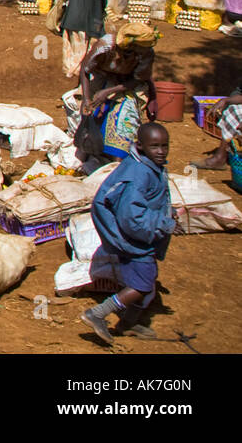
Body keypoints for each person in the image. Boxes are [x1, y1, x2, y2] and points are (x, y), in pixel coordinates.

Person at [81, 122, 175, 344]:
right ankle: (97, 313)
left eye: (165, 146)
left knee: (147, 285)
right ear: (140, 146)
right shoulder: (139, 174)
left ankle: (128, 324)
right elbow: (132, 218)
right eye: (155, 146)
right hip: (134, 239)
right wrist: (164, 224)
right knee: (142, 285)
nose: (161, 151)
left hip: (135, 237)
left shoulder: (146, 165)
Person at [76, 22, 159, 162]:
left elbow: (137, 79)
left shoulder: (146, 53)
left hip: (127, 84)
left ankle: (117, 161)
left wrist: (108, 92)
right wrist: (85, 98)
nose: (146, 50)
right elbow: (85, 68)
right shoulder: (106, 46)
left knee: (124, 117)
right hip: (101, 77)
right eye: (142, 48)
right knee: (86, 112)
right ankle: (88, 151)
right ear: (132, 45)